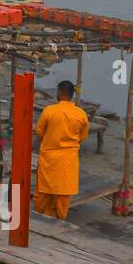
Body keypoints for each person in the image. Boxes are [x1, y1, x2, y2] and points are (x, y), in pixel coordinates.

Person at [33, 79, 90, 219]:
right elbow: (83, 137)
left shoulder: (49, 111)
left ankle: (40, 219)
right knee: (63, 196)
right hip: (68, 161)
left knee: (43, 192)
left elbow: (39, 132)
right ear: (72, 95)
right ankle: (59, 220)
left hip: (49, 159)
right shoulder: (81, 114)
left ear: (59, 93)